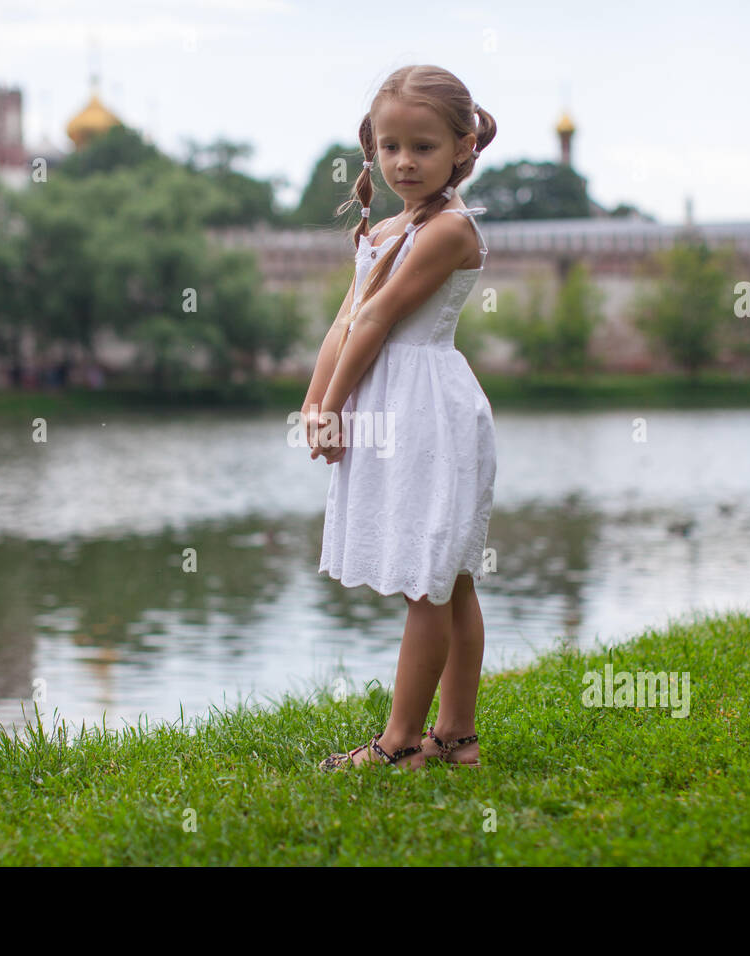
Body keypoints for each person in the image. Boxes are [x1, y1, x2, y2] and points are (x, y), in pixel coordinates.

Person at [300, 65, 498, 771]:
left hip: (429, 412)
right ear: (373, 151)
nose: (404, 162)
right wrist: (314, 402)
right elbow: (346, 320)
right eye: (390, 147)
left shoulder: (451, 230)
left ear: (463, 148)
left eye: (423, 146)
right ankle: (457, 740)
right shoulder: (382, 228)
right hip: (389, 404)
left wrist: (333, 403)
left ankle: (401, 744)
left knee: (434, 575)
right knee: (450, 577)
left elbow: (382, 315)